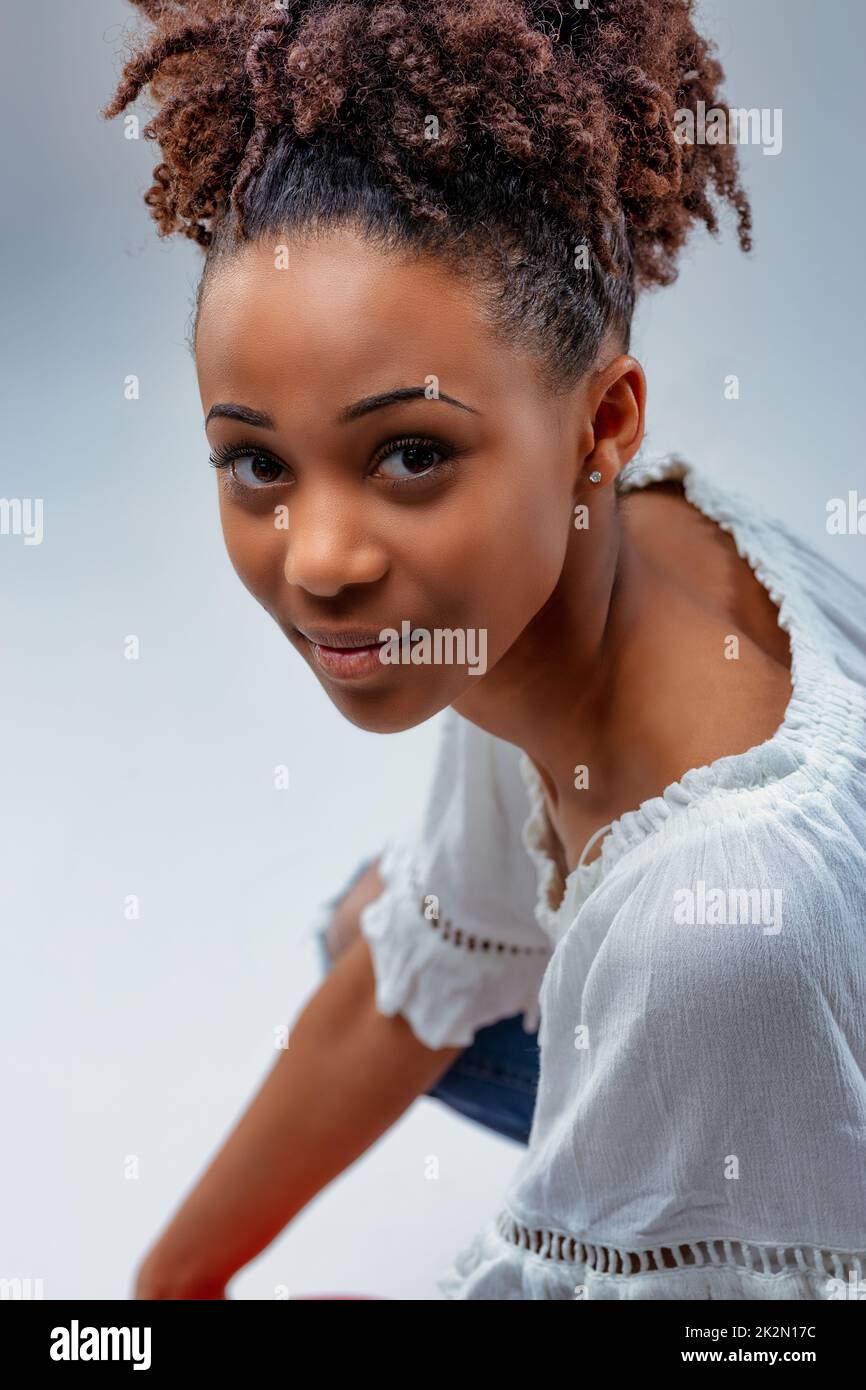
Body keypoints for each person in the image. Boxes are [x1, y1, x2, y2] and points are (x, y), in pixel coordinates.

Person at [102, 0, 866, 1299]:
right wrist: (164, 1291)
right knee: (365, 920)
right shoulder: (566, 572)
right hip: (769, 1026)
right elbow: (402, 982)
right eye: (255, 462)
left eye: (410, 453)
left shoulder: (707, 920)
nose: (320, 559)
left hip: (795, 1141)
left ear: (603, 418)